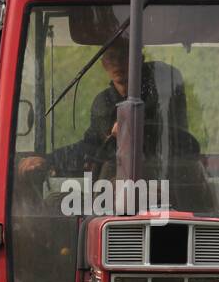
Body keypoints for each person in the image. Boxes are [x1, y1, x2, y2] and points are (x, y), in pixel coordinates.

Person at [18, 39, 194, 179]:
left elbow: (173, 139)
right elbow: (90, 147)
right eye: (111, 57)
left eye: (124, 55)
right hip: (112, 193)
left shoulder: (163, 89)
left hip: (168, 183)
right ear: (103, 64)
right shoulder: (103, 104)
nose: (117, 63)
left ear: (139, 59)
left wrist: (134, 129)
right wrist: (50, 160)